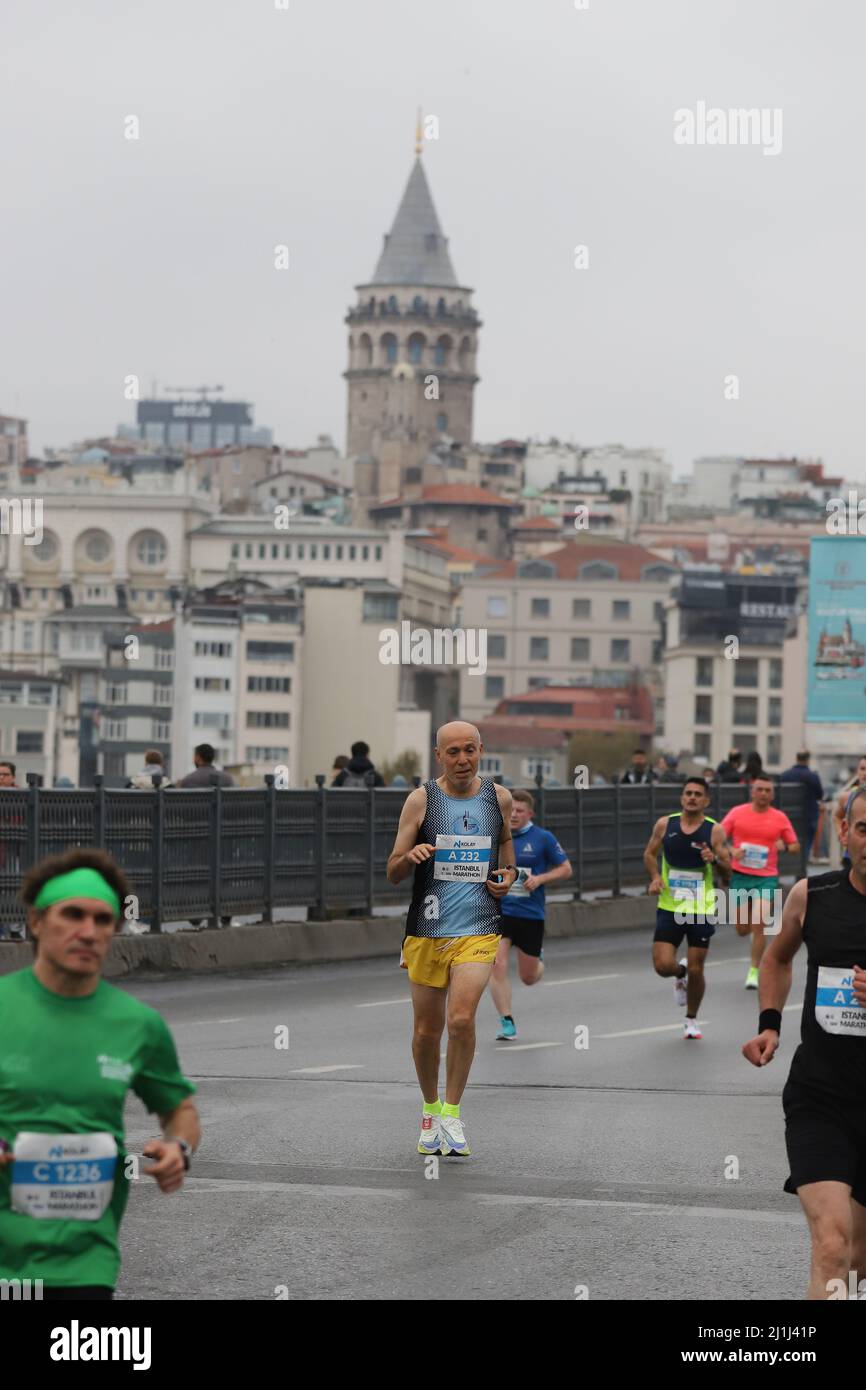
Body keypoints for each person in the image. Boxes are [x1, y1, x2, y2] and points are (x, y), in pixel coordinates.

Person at [0, 847, 200, 1300]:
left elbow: (180, 1109)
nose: (88, 932)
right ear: (36, 921)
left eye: (103, 919)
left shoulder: (137, 1025)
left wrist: (179, 1147)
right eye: (72, 915)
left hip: (83, 1264)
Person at [742, 785, 866, 1299]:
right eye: (864, 828)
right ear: (844, 832)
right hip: (822, 1095)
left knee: (859, 1257)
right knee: (833, 1245)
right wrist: (769, 1022)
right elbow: (776, 956)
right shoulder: (810, 896)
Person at [386, 721, 516, 1157]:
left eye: (470, 751)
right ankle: (429, 1109)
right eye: (453, 752)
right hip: (427, 928)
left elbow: (507, 858)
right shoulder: (422, 800)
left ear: (481, 750)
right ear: (438, 756)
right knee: (427, 1031)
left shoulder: (499, 798)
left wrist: (506, 879)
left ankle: (453, 1113)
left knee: (461, 1020)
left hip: (479, 926)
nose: (463, 760)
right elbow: (392, 870)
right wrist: (412, 855)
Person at [643, 777, 731, 1039]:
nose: (692, 797)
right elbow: (649, 854)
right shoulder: (665, 824)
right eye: (688, 793)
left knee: (697, 968)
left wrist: (714, 860)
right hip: (670, 904)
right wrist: (655, 878)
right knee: (662, 965)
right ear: (682, 798)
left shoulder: (714, 831)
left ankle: (691, 1019)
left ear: (706, 801)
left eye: (697, 794)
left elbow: (729, 872)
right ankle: (678, 973)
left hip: (700, 908)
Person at [489, 789, 572, 1040]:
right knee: (497, 964)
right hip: (501, 911)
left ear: (530, 813)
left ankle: (539, 963)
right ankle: (507, 1021)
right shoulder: (497, 836)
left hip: (530, 914)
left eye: (519, 811)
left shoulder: (543, 838)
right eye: (510, 810)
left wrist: (540, 879)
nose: (513, 815)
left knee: (528, 977)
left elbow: (566, 869)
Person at [721, 775, 800, 989]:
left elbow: (795, 846)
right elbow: (718, 836)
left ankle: (754, 971)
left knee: (759, 923)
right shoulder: (737, 813)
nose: (764, 793)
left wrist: (784, 846)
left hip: (766, 878)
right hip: (740, 876)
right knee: (742, 928)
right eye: (760, 789)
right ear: (752, 792)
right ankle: (752, 940)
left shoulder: (780, 818)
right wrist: (731, 850)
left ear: (772, 795)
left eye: (768, 790)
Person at [781, 751, 824, 861]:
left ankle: (788, 865)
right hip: (809, 815)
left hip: (789, 815)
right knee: (806, 843)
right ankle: (802, 868)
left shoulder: (785, 775)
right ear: (807, 760)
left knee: (789, 841)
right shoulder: (813, 776)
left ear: (796, 758)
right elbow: (820, 795)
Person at [832, 757, 866, 862]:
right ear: (857, 771)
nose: (865, 773)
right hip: (851, 856)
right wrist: (841, 834)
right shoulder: (847, 796)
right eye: (862, 769)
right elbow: (837, 816)